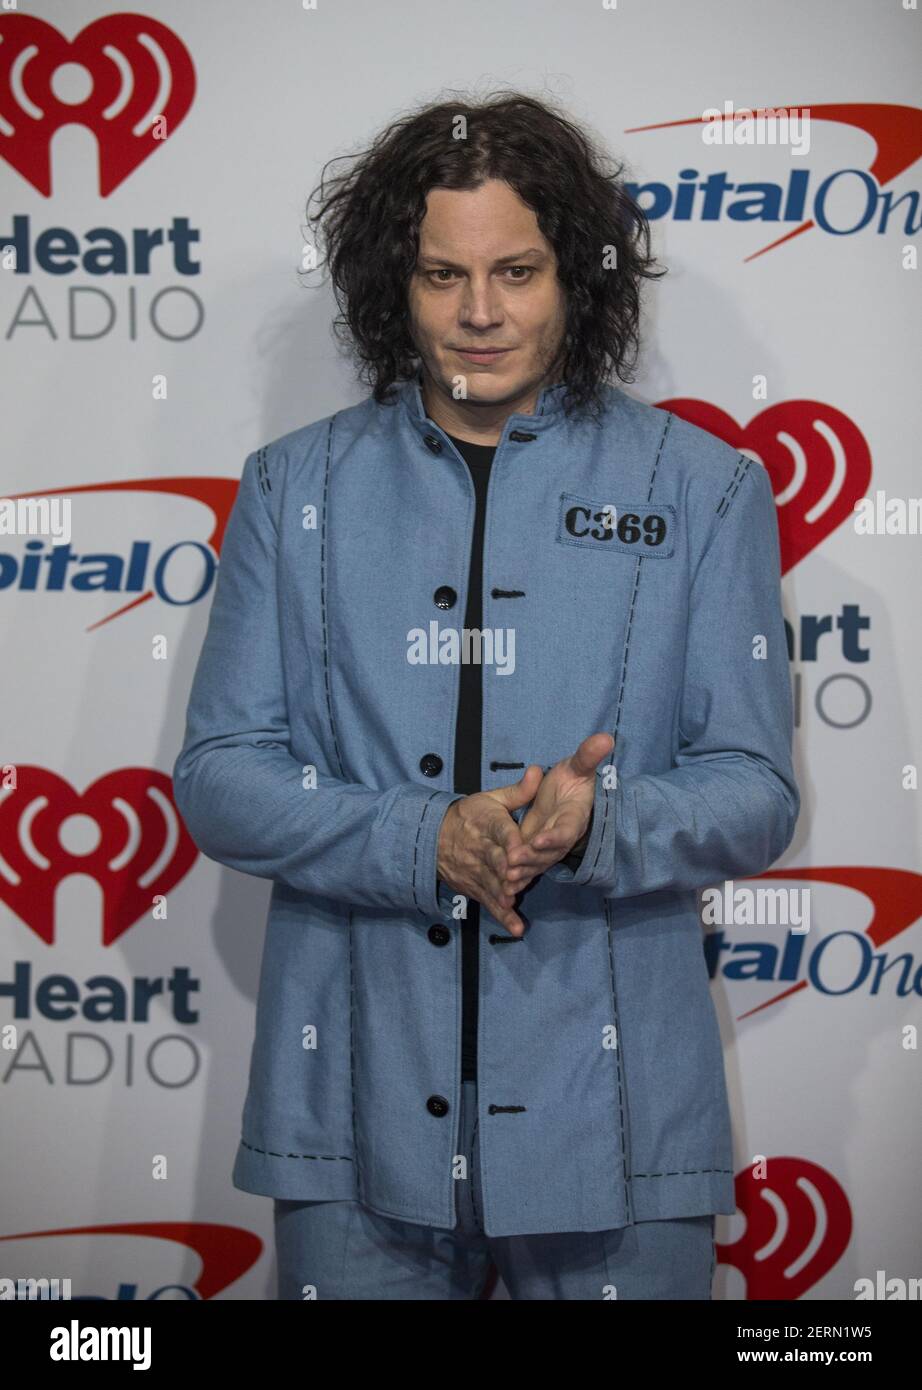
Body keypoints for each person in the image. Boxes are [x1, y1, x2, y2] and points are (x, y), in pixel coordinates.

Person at [172, 92, 799, 1300]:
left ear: (575, 274)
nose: (478, 313)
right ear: (386, 286)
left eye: (515, 269)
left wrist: (599, 824)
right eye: (438, 274)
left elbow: (755, 791)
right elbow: (221, 778)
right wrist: (422, 839)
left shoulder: (706, 487)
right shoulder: (291, 486)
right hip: (353, 1128)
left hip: (619, 1135)